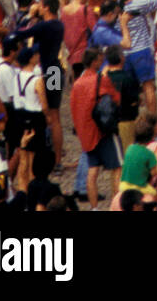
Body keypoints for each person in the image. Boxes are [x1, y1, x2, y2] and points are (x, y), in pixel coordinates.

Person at [70, 47, 121, 210]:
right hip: (103, 131)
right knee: (117, 168)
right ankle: (116, 204)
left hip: (87, 134)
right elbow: (116, 99)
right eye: (99, 59)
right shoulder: (101, 79)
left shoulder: (77, 84)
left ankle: (94, 208)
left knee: (92, 171)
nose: (101, 62)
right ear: (94, 62)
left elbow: (73, 108)